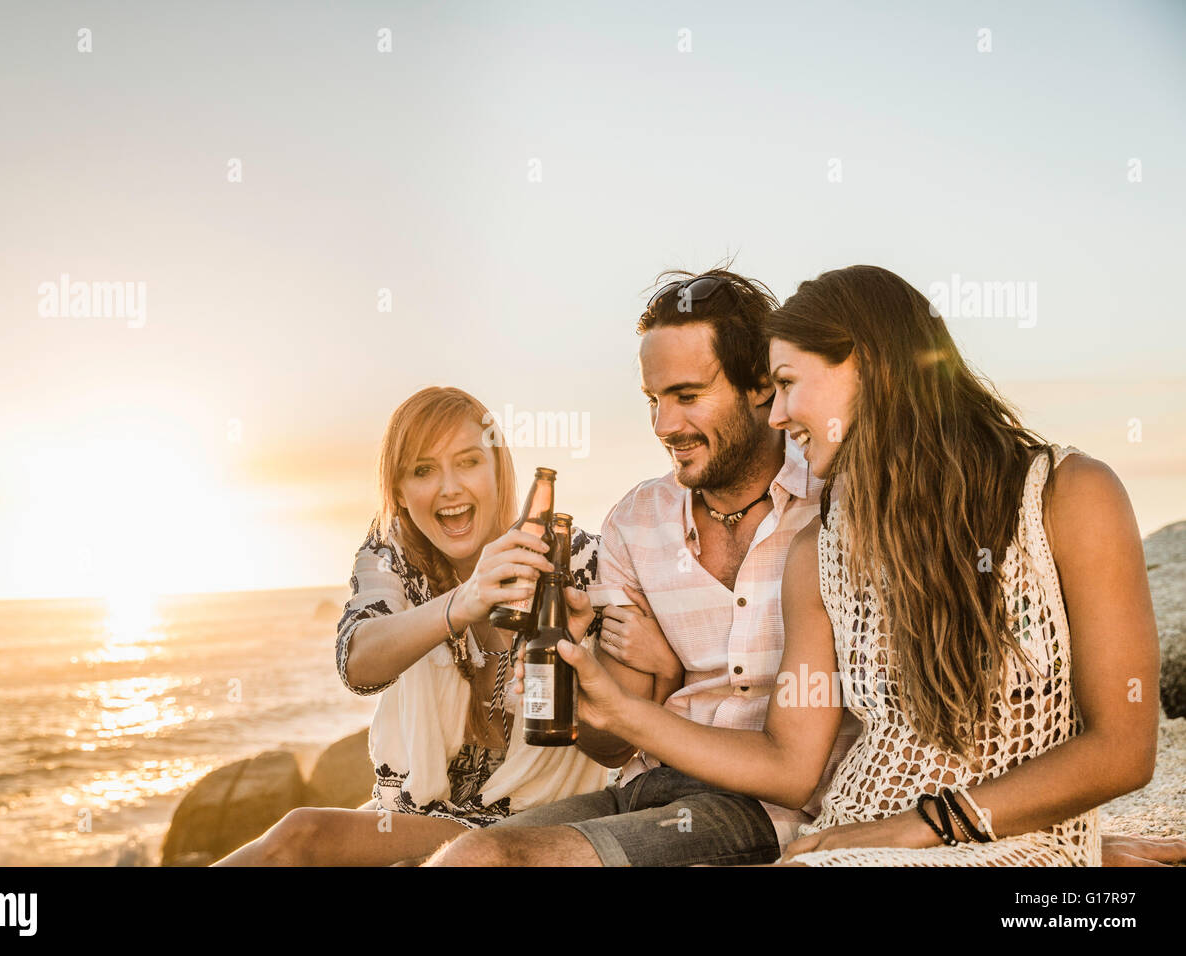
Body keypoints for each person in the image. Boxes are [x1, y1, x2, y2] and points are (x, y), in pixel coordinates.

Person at [427, 266, 1182, 868]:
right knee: (467, 857)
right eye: (653, 399)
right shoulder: (820, 541)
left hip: (822, 828)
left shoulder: (1063, 494)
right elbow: (727, 751)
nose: (781, 417)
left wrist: (953, 830)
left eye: (788, 385)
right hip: (795, 817)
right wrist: (600, 683)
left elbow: (1120, 746)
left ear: (869, 367)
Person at [427, 269, 861, 867]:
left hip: (767, 810)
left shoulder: (832, 499)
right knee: (464, 853)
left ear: (761, 384)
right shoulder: (636, 522)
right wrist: (585, 685)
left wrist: (631, 704)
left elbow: (795, 765)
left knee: (489, 864)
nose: (664, 426)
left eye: (687, 396)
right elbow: (610, 748)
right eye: (654, 401)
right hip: (644, 791)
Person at [214, 386, 609, 865]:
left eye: (468, 462)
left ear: (499, 468)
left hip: (534, 824)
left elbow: (626, 736)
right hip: (417, 814)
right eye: (423, 470)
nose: (449, 488)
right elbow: (357, 662)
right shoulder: (392, 553)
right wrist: (463, 602)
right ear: (399, 491)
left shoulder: (574, 559)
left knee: (305, 834)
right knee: (298, 834)